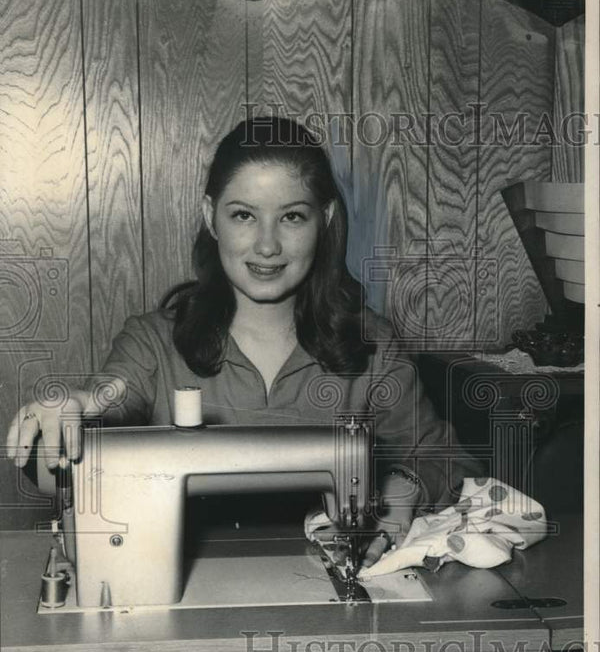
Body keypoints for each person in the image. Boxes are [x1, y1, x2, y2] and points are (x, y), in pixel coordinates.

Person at [7, 116, 482, 575]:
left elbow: (446, 459)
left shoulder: (372, 345)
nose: (267, 245)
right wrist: (74, 413)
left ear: (325, 219)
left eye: (292, 217)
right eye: (243, 216)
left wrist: (403, 489)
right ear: (210, 218)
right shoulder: (152, 343)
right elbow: (94, 420)